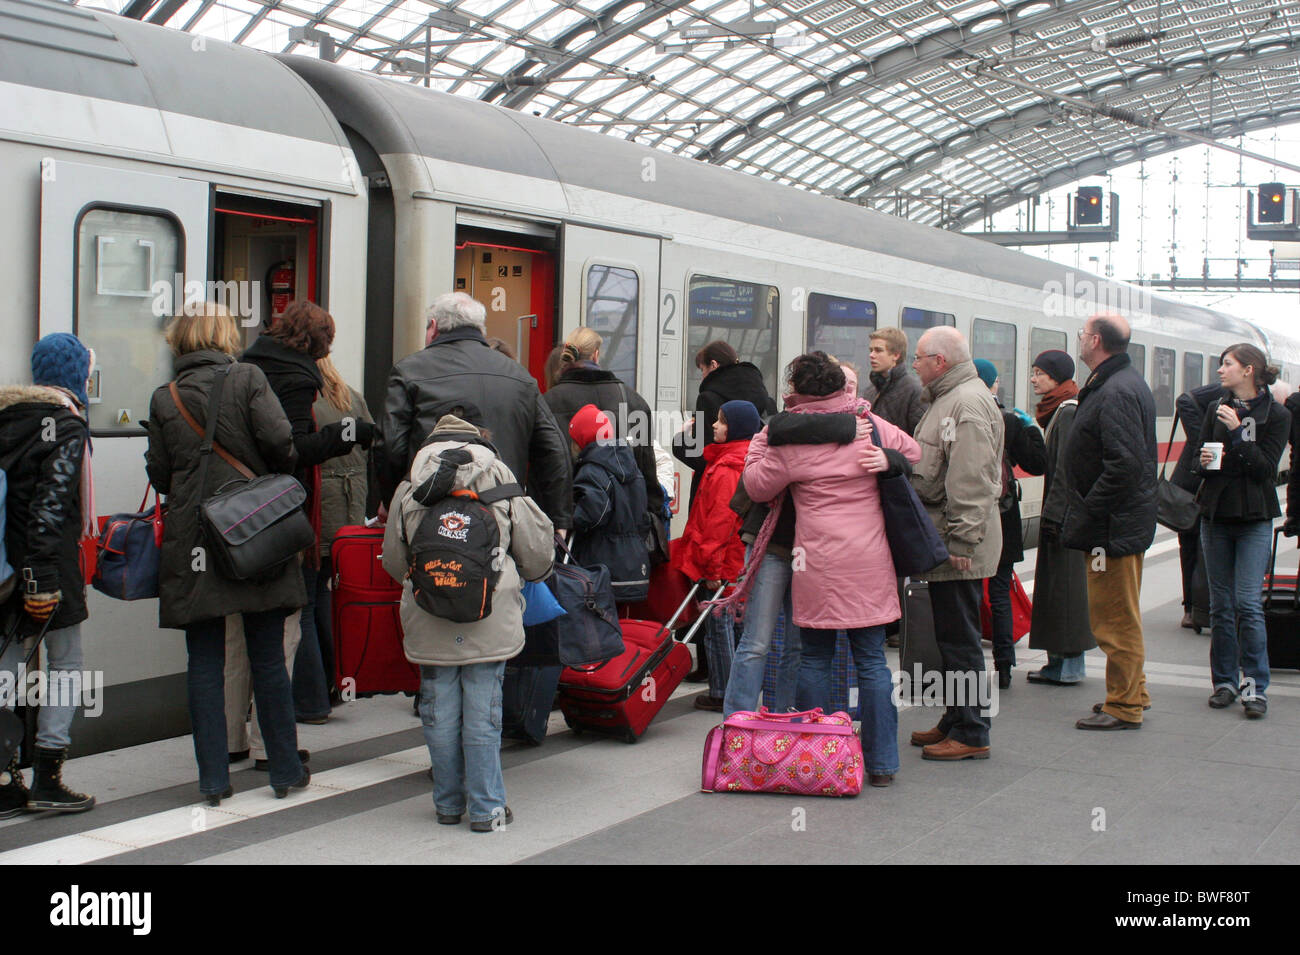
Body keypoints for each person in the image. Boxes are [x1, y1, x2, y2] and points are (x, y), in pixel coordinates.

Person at [145, 303, 310, 804]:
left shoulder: (164, 396)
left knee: (204, 661)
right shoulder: (248, 378)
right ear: (225, 335)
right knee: (266, 655)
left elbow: (159, 474)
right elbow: (283, 444)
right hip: (252, 527)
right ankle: (283, 769)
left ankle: (214, 780)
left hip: (194, 537)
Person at [743, 354, 920, 786]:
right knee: (873, 663)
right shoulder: (869, 426)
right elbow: (915, 452)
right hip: (869, 562)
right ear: (842, 389)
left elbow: (755, 485)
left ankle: (819, 755)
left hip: (817, 563)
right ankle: (881, 765)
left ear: (797, 393)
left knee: (815, 661)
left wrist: (764, 442)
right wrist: (888, 460)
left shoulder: (789, 441)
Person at [381, 414, 553, 832]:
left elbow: (393, 562)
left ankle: (446, 804)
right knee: (483, 711)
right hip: (488, 614)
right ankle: (487, 809)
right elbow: (537, 558)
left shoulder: (412, 486)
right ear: (481, 441)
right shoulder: (501, 478)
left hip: (429, 613)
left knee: (439, 708)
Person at [239, 302, 371, 739]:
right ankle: (308, 703)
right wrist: (346, 435)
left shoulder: (249, 365)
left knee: (266, 622)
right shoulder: (303, 380)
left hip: (250, 510)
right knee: (305, 607)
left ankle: (238, 735)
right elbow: (296, 449)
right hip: (297, 512)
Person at [0, 333, 98, 815]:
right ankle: (48, 778)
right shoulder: (66, 425)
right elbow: (51, 506)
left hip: (3, 568)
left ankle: (2, 778)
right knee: (64, 667)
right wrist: (41, 579)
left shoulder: (6, 418)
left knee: (7, 667)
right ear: (77, 375)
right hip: (47, 568)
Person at [381, 292, 571, 534]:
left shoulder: (408, 371)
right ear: (481, 329)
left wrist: (392, 502)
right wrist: (558, 519)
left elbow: (390, 446)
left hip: (429, 519)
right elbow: (553, 450)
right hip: (501, 515)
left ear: (434, 327)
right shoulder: (521, 377)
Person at [907, 327, 1003, 761]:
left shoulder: (964, 404)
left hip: (957, 541)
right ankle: (956, 716)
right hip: (948, 536)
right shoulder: (952, 397)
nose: (914, 364)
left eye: (920, 357)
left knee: (961, 640)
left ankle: (972, 731)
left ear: (939, 362)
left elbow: (970, 479)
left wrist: (962, 541)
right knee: (949, 637)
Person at [1061, 313, 1157, 731]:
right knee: (1122, 613)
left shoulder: (1115, 389)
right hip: (1116, 523)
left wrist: (1089, 507)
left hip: (1110, 530)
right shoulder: (1121, 381)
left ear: (1095, 340)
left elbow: (1124, 464)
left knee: (1114, 619)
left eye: (1083, 334)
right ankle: (1134, 692)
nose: (1080, 340)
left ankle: (1123, 706)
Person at [1192, 345, 1289, 719]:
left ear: (1249, 370)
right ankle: (1225, 682)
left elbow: (1264, 468)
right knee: (1220, 605)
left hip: (1252, 518)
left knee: (1247, 604)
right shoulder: (1217, 406)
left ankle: (1255, 687)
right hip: (1216, 514)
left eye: (1227, 365)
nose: (1221, 371)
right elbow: (1204, 453)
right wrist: (1204, 460)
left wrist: (1237, 434)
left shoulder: (1276, 414)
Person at [542, 327, 666, 557]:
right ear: (596, 355)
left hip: (565, 531)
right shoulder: (633, 401)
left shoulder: (547, 403)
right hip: (623, 533)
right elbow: (646, 468)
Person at [672, 399, 759, 711]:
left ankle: (723, 692)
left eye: (721, 421)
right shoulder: (743, 460)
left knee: (718, 631)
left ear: (734, 428)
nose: (714, 425)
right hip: (736, 562)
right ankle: (738, 690)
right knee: (735, 628)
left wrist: (709, 569)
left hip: (722, 565)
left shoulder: (726, 469)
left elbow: (718, 525)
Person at [973, 358, 1046, 689]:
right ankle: (1003, 666)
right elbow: (1038, 463)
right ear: (993, 384)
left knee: (967, 593)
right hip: (1003, 516)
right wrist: (1030, 427)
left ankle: (966, 667)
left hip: (967, 515)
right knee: (1000, 592)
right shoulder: (1008, 419)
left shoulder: (956, 413)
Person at [1025, 350, 1096, 686]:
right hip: (1064, 513)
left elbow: (1066, 471)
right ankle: (1060, 663)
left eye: (1039, 373)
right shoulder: (1060, 410)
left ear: (1056, 377)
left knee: (1064, 590)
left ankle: (1067, 665)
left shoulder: (1066, 412)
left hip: (1064, 516)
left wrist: (1054, 517)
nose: (1034, 379)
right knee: (1059, 590)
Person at [312, 355, 375, 707]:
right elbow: (373, 445)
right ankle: (346, 676)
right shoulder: (350, 395)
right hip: (353, 506)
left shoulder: (307, 401)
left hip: (323, 504)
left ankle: (323, 683)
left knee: (316, 596)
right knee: (338, 593)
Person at [672, 341, 775, 505]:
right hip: (754, 491)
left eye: (702, 369)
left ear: (713, 365)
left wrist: (680, 439)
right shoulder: (766, 400)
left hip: (715, 490)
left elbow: (701, 457)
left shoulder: (707, 399)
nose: (702, 376)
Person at [568, 404, 651, 602]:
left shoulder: (592, 470)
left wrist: (566, 515)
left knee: (595, 629)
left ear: (582, 440)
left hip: (601, 567)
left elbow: (592, 514)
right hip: (634, 567)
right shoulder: (633, 468)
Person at [1171, 375, 1223, 629]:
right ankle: (1192, 607)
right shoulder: (1223, 391)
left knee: (1203, 547)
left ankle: (1202, 607)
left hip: (1213, 485)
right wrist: (1203, 439)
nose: (1223, 370)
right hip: (1193, 483)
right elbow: (1185, 400)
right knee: (1191, 544)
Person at [861, 327, 925, 436]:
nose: (871, 355)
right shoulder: (871, 390)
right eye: (871, 350)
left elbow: (919, 438)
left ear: (896, 355)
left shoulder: (914, 392)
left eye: (878, 350)